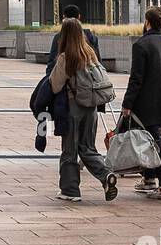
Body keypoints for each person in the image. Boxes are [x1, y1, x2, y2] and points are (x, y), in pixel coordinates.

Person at [120, 6, 161, 201]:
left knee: (156, 142)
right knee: (148, 140)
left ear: (147, 22)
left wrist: (127, 103)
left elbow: (136, 79)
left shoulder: (142, 45)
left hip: (145, 104)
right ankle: (149, 179)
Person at [49, 19, 119, 203]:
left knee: (70, 150)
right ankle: (106, 175)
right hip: (91, 108)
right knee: (88, 148)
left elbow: (55, 85)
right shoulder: (90, 53)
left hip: (73, 108)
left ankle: (70, 190)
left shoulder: (66, 57)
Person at [45, 5, 98, 73]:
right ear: (79, 16)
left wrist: (48, 77)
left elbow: (52, 61)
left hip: (67, 78)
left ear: (64, 17)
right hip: (89, 79)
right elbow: (98, 60)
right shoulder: (91, 37)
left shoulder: (59, 37)